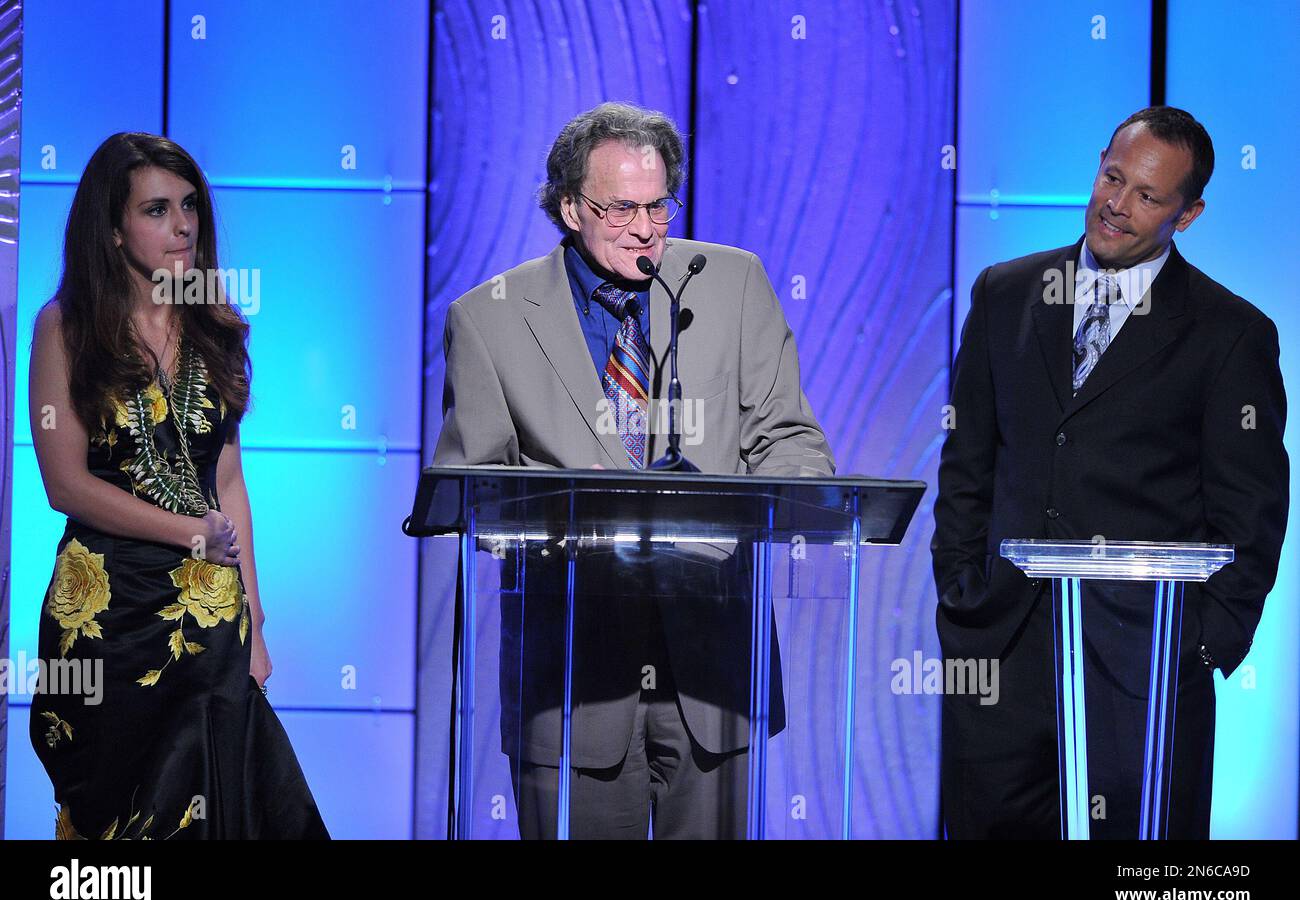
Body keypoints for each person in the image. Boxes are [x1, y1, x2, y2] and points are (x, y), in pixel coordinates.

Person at [433, 102, 834, 838]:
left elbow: (793, 443)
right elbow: (472, 499)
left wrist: (769, 496)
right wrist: (566, 507)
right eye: (620, 209)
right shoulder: (488, 319)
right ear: (569, 207)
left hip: (715, 675)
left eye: (657, 205)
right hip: (572, 683)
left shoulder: (731, 284)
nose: (646, 228)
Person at [932, 106, 1288, 839]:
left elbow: (1250, 514)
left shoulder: (1231, 334)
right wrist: (963, 597)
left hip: (1145, 669)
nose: (1116, 205)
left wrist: (1200, 645)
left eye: (1148, 196)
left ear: (1187, 215)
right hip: (1002, 656)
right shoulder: (1004, 293)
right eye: (1112, 177)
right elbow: (966, 466)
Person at [28, 132, 329, 839]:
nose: (183, 225)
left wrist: (255, 619)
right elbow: (64, 484)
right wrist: (188, 532)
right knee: (127, 825)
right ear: (112, 228)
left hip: (213, 615)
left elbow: (229, 480)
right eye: (157, 210)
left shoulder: (213, 324)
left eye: (189, 206)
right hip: (111, 620)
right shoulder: (66, 326)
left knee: (243, 808)